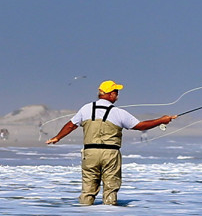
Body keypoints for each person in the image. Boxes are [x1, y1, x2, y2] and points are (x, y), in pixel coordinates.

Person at [46, 80, 176, 205]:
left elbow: (71, 125)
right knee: (110, 188)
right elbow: (140, 126)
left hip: (90, 153)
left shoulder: (86, 109)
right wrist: (162, 120)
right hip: (110, 153)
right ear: (111, 94)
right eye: (116, 92)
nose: (118, 96)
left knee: (88, 189)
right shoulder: (118, 112)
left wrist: (57, 138)